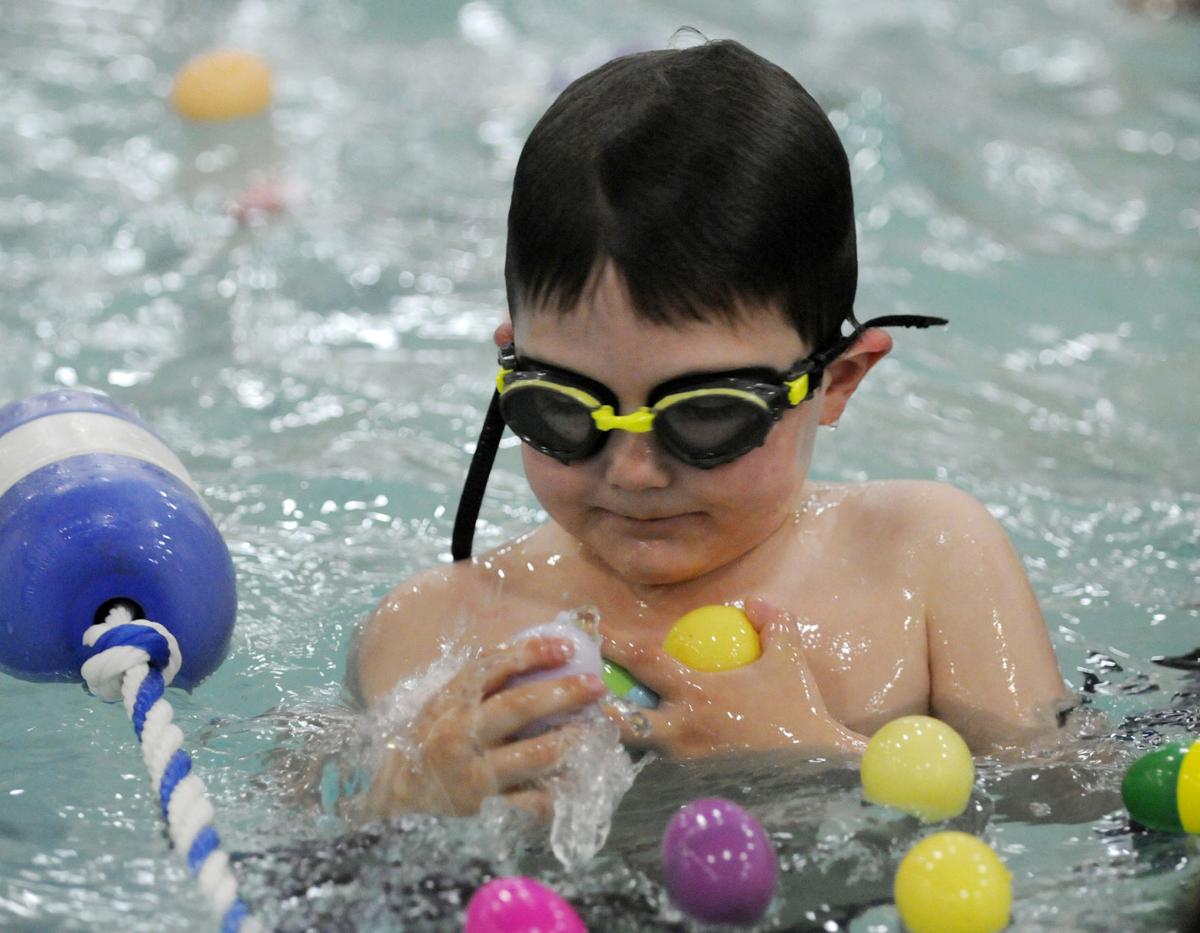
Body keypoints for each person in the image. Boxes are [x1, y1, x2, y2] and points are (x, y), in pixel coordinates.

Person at [346, 38, 1069, 821]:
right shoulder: (428, 633)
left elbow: (1065, 801)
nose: (634, 471)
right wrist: (399, 806)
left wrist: (813, 757)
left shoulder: (925, 559)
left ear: (837, 380)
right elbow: (298, 835)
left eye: (708, 413)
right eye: (563, 406)